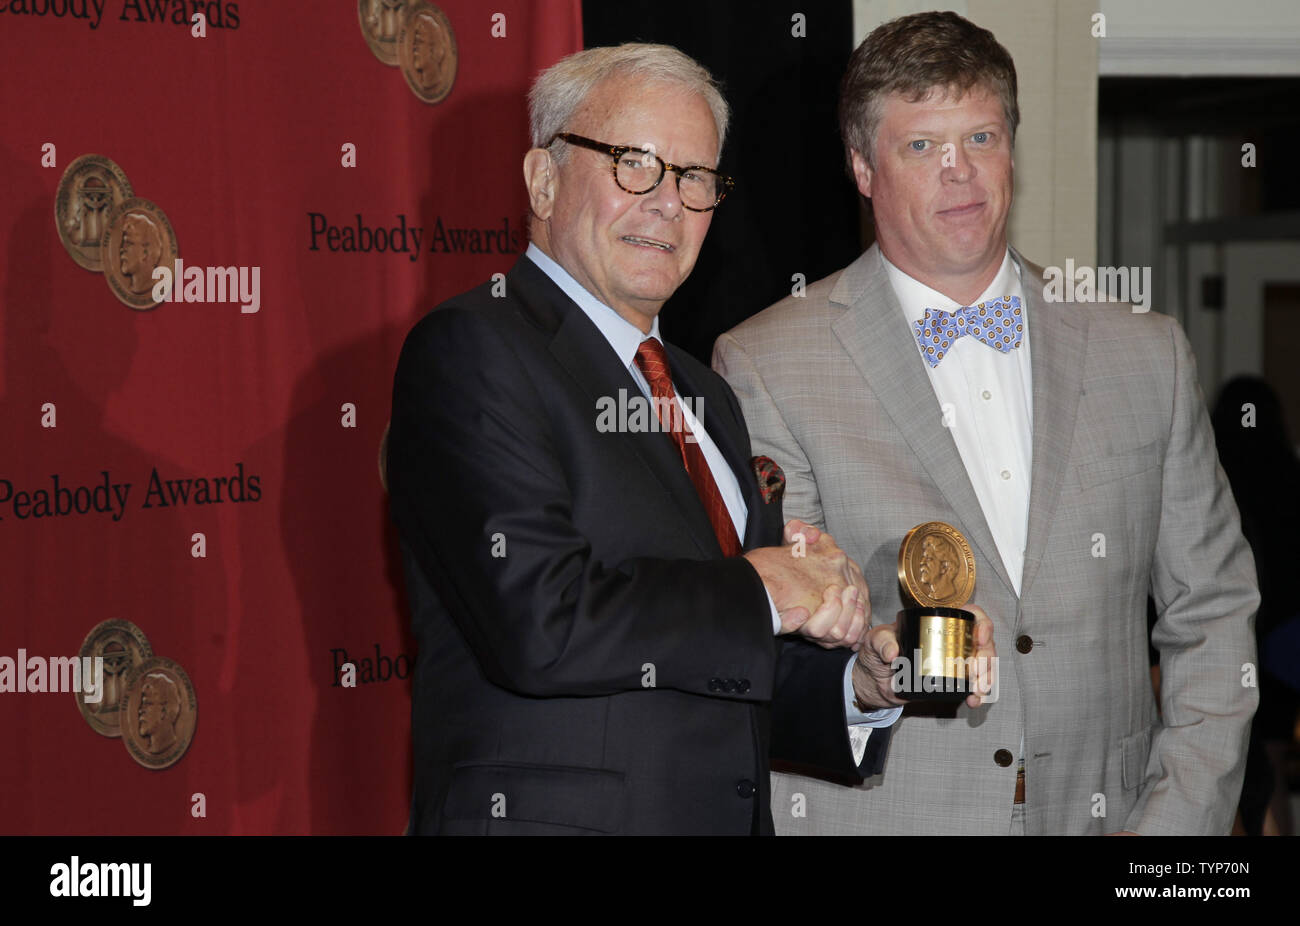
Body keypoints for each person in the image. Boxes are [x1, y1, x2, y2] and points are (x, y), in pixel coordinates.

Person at [387, 43, 996, 836]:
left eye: (695, 178)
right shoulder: (474, 349)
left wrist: (865, 686)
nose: (668, 203)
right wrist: (764, 588)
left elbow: (726, 662)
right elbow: (538, 620)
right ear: (542, 179)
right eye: (634, 163)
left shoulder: (703, 393)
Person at [714, 11, 1257, 835]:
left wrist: (1173, 839)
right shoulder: (767, 362)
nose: (960, 174)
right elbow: (784, 650)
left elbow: (1212, 614)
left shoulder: (1145, 351)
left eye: (981, 137)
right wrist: (877, 662)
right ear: (862, 167)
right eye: (922, 147)